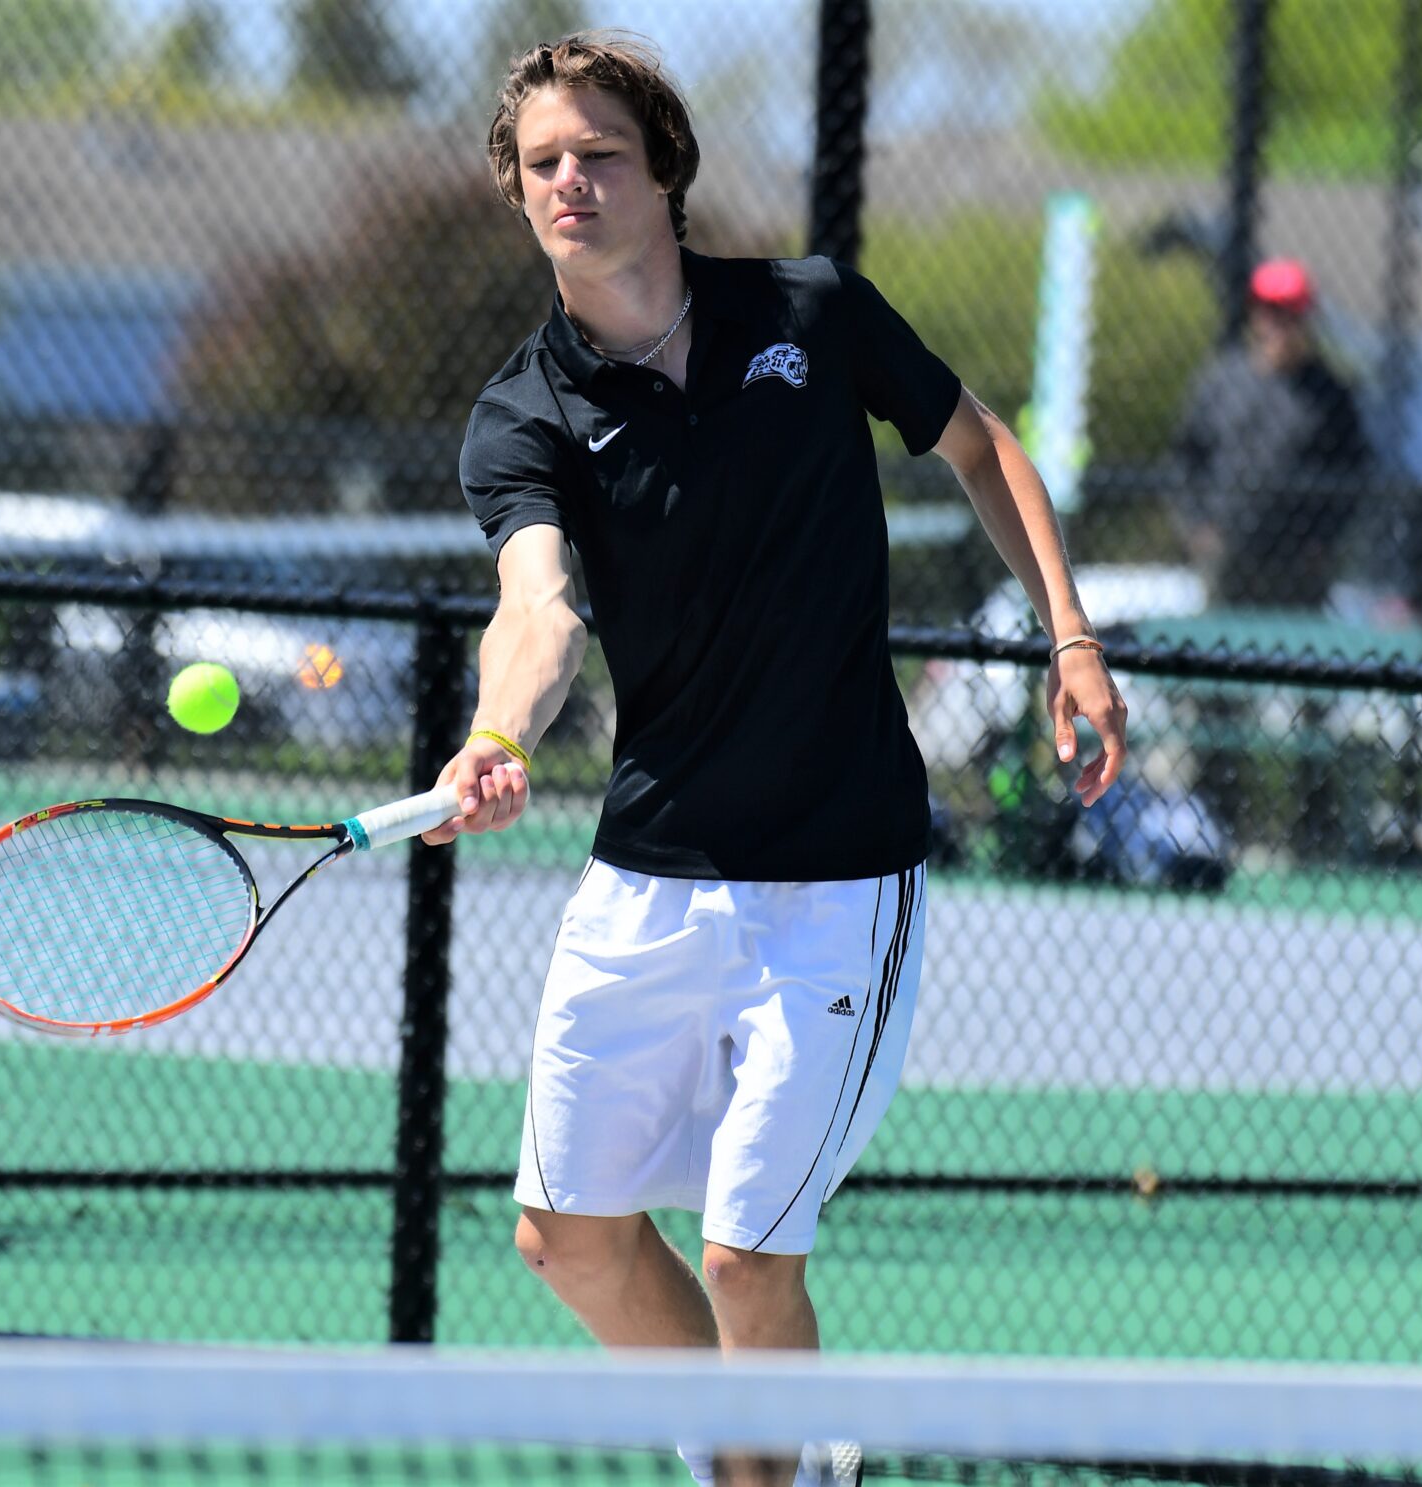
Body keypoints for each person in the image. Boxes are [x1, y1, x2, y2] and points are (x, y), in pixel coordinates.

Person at [421, 32, 1127, 1487]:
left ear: (664, 167)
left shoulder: (812, 310)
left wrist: (1070, 633)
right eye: (544, 163)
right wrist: (498, 734)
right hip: (645, 878)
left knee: (748, 1258)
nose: (572, 181)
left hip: (836, 875)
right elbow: (539, 608)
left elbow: (980, 444)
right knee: (566, 1234)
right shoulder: (524, 412)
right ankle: (795, 1456)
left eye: (601, 153)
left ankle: (765, 1473)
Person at [1170, 258, 1371, 609]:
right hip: (1227, 553)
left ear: (1306, 320)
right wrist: (1196, 525)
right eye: (1270, 311)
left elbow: (1355, 474)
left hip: (1298, 565)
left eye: (1290, 314)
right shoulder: (1222, 381)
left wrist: (1323, 541)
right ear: (1254, 314)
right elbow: (1185, 458)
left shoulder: (1330, 394)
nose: (1278, 324)